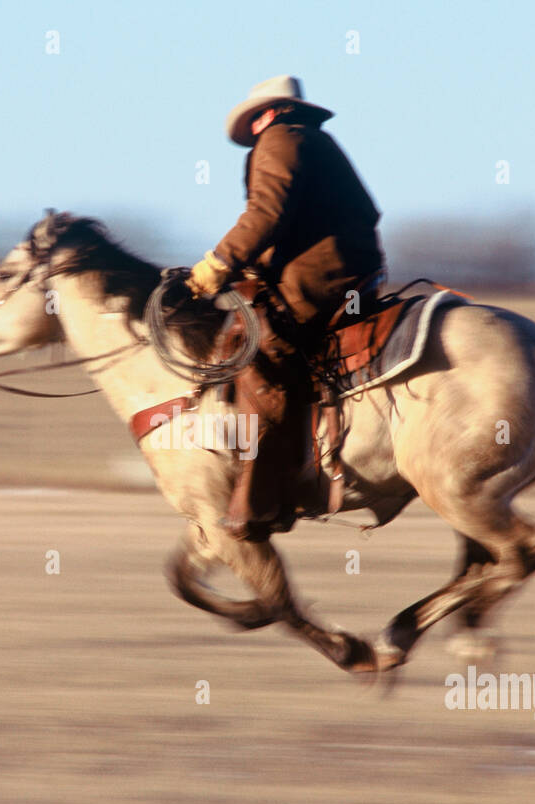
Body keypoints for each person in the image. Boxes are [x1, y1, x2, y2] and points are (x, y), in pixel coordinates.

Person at [186, 75, 385, 540]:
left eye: (255, 119)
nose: (253, 130)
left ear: (267, 113)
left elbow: (266, 214)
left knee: (260, 358)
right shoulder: (314, 139)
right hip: (348, 268)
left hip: (321, 276)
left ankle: (259, 502)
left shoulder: (279, 139)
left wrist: (218, 263)